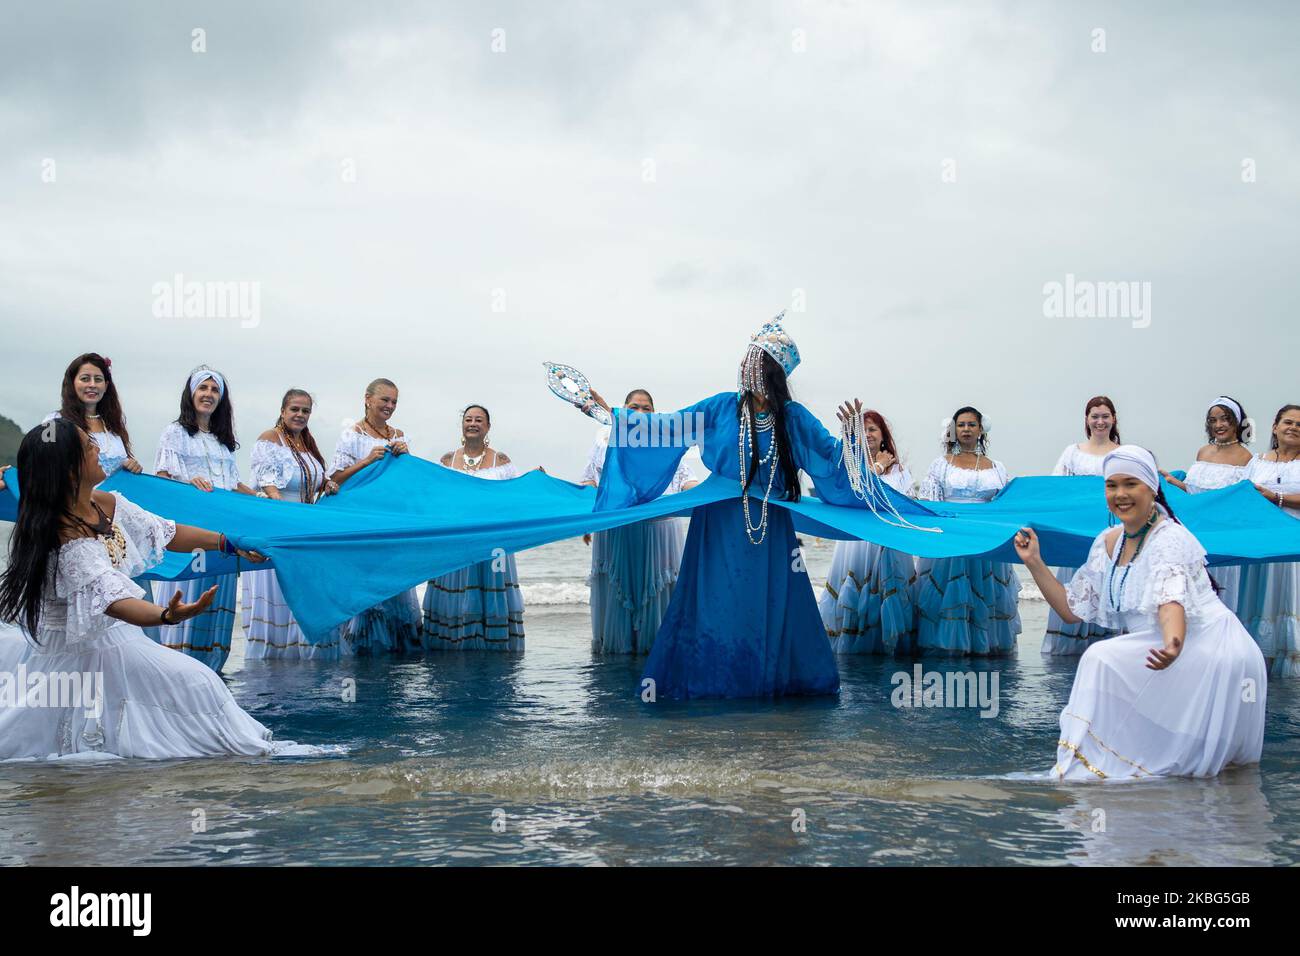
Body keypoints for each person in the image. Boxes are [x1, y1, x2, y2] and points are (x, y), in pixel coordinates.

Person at [578, 312, 869, 699]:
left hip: (771, 526)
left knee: (768, 605)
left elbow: (830, 461)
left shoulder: (793, 419)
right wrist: (614, 416)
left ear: (774, 373)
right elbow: (666, 428)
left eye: (758, 361)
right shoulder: (720, 409)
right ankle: (712, 682)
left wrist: (853, 441)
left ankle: (775, 684)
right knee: (717, 604)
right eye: (748, 359)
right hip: (716, 525)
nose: (748, 368)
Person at [0, 419, 318, 759]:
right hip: (77, 649)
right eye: (88, 446)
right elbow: (114, 601)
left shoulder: (104, 503)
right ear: (68, 469)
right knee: (196, 682)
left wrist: (226, 542)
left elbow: (165, 531)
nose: (98, 449)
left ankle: (235, 752)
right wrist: (166, 615)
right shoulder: (63, 535)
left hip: (117, 639)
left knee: (191, 685)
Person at [1016, 445, 1266, 780]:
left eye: (1130, 484)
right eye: (1112, 485)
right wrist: (1034, 561)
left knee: (1100, 658)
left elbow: (1170, 603)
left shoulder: (1169, 539)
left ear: (1151, 488)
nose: (1120, 494)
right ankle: (1098, 765)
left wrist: (1174, 643)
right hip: (1164, 643)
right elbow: (1070, 611)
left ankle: (1089, 768)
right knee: (1106, 662)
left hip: (1209, 647)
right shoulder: (1108, 543)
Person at [149, 365, 258, 671]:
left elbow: (234, 485)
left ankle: (212, 671)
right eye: (203, 388)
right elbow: (163, 478)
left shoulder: (223, 440)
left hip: (223, 532)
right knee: (189, 593)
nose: (208, 395)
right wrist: (190, 483)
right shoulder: (175, 433)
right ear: (191, 393)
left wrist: (264, 501)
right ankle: (175, 669)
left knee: (216, 598)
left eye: (214, 390)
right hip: (191, 531)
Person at [582, 389, 699, 654]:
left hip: (660, 530)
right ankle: (618, 656)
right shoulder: (606, 445)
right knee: (619, 591)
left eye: (647, 408)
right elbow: (590, 481)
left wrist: (705, 494)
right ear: (623, 410)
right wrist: (587, 518)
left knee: (658, 592)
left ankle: (657, 651)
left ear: (655, 415)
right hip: (617, 531)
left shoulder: (665, 446)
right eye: (634, 407)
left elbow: (686, 480)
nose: (641, 412)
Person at [240, 388, 344, 660]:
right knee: (284, 595)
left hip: (305, 530)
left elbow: (311, 480)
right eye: (295, 409)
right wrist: (287, 517)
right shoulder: (269, 439)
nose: (300, 415)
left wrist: (328, 484)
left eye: (305, 411)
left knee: (308, 594)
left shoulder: (307, 444)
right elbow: (268, 484)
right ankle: (277, 663)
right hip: (278, 527)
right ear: (283, 411)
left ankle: (310, 657)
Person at [912, 407, 1020, 655]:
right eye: (961, 425)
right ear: (954, 429)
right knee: (953, 597)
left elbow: (1005, 506)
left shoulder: (997, 467)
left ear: (981, 429)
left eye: (972, 424)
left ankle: (985, 649)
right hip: (952, 542)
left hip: (986, 542)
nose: (966, 429)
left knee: (984, 594)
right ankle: (951, 648)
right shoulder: (941, 465)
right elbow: (931, 504)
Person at [421, 405, 527, 651]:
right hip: (456, 542)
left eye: (479, 420)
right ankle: (455, 646)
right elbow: (435, 498)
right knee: (457, 596)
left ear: (488, 427)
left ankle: (493, 647)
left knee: (490, 596)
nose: (473, 423)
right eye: (468, 419)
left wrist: (534, 480)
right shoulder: (447, 460)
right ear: (462, 425)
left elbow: (516, 495)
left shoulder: (501, 460)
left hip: (493, 543)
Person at [329, 378, 422, 653]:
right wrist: (367, 460)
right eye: (385, 400)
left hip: (391, 522)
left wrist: (406, 458)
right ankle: (364, 651)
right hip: (361, 523)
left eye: (394, 402)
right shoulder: (351, 434)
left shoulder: (399, 434)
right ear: (368, 399)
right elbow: (335, 479)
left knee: (394, 587)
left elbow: (406, 484)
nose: (390, 406)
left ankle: (395, 653)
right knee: (367, 588)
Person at [817, 409, 916, 654]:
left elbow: (908, 505)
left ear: (883, 435)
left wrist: (886, 466)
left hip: (889, 541)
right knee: (856, 593)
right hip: (856, 543)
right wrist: (879, 467)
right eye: (862, 431)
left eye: (872, 429)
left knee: (889, 593)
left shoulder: (900, 472)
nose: (868, 435)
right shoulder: (849, 467)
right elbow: (857, 493)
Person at [1041, 396, 1120, 656]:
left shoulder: (1122, 453)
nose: (1100, 421)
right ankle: (1068, 654)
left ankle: (1105, 648)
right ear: (1086, 420)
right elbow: (1055, 491)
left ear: (1114, 419)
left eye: (1105, 416)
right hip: (1076, 537)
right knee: (1075, 586)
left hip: (1110, 536)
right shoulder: (1072, 452)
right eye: (1094, 416)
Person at [1161, 396, 1254, 614]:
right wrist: (1175, 484)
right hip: (1195, 529)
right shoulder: (1203, 451)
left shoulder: (1246, 458)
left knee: (1220, 586)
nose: (1219, 425)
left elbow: (1236, 498)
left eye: (1225, 419)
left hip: (1224, 530)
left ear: (1237, 422)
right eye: (1213, 420)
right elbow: (1195, 491)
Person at [1237, 404, 1300, 676]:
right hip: (1259, 544)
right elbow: (1241, 495)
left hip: (1292, 543)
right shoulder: (1257, 461)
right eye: (1288, 422)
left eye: (1299, 425)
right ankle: (1253, 662)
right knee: (1259, 596)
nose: (1293, 428)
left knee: (1289, 596)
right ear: (1275, 426)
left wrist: (1277, 498)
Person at [41, 352, 142, 479]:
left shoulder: (114, 423)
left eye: (98, 379)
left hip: (115, 497)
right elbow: (41, 461)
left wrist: (132, 466)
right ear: (72, 383)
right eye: (85, 379)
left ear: (106, 386)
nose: (92, 385)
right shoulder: (52, 421)